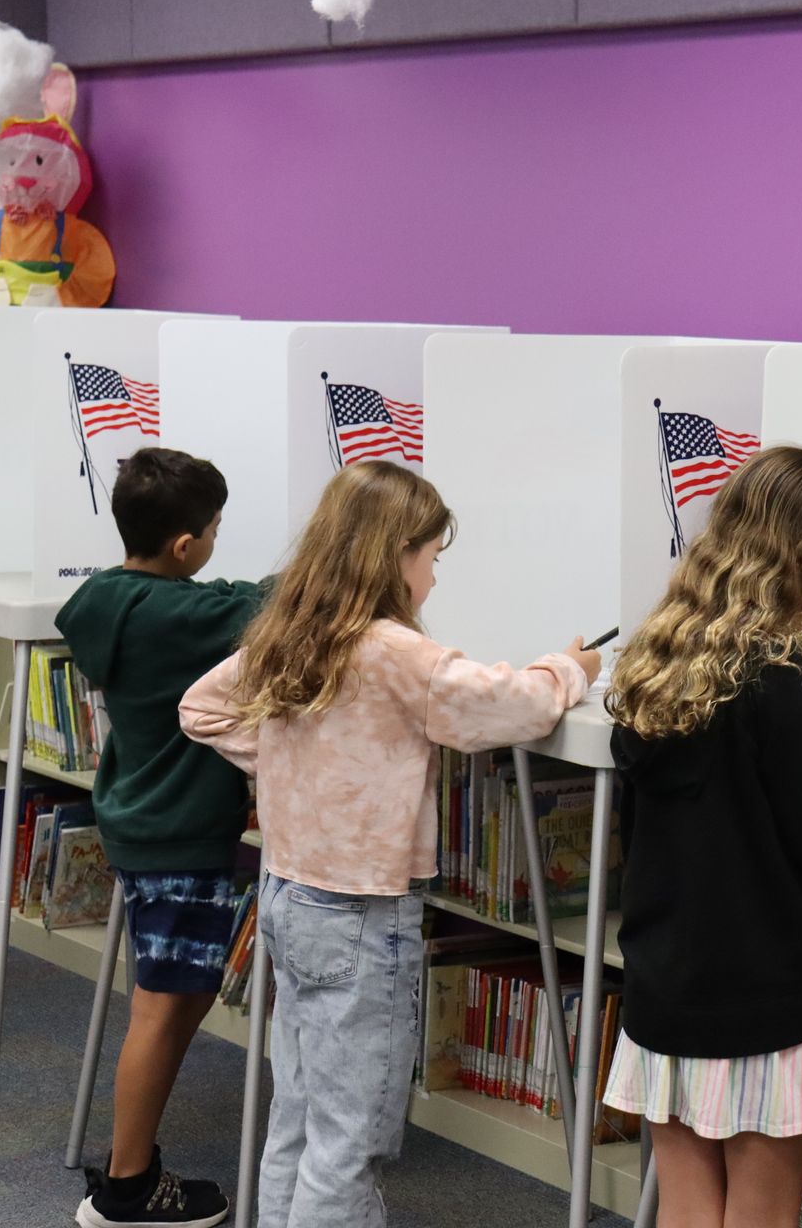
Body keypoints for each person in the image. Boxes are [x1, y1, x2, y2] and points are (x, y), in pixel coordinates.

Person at [179, 460, 597, 1228]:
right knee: (350, 1144)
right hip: (363, 919)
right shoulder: (399, 653)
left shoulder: (291, 630)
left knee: (298, 1122)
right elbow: (512, 708)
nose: (433, 579)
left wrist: (297, 769)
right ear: (394, 555)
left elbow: (201, 706)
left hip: (288, 897)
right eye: (432, 559)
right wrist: (571, 666)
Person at [601, 446, 802, 1228]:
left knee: (687, 1210)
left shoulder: (657, 663)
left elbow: (681, 802)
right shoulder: (779, 676)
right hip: (769, 1002)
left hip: (666, 984)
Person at [57, 447, 265, 1228]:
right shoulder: (184, 614)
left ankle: (128, 1167)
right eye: (213, 529)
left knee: (183, 993)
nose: (217, 541)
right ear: (186, 546)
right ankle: (128, 1186)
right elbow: (274, 602)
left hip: (147, 822)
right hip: (179, 834)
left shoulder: (106, 598)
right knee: (160, 1004)